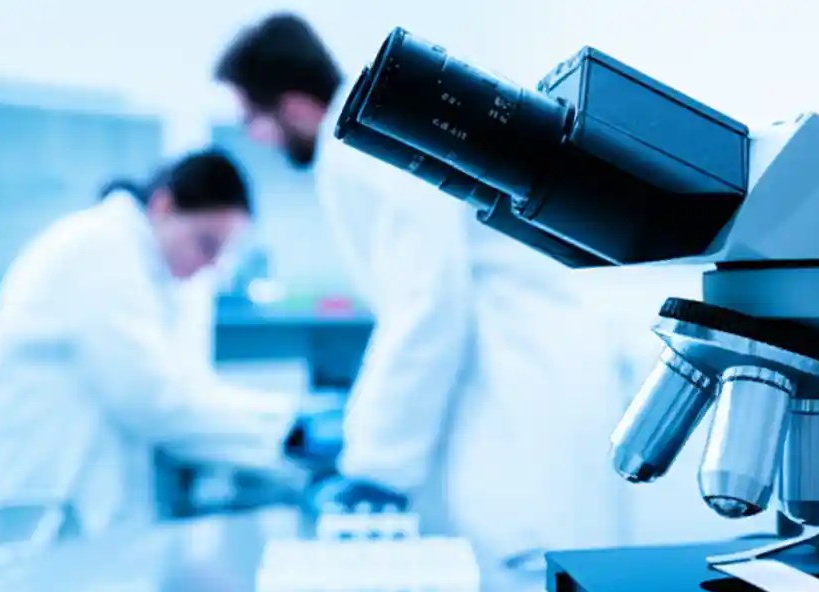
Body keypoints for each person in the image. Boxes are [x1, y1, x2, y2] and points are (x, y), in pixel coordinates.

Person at [215, 15, 633, 563]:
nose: (255, 137)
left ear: (292, 106)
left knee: (533, 589)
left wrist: (376, 464)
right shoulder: (376, 127)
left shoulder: (358, 145)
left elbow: (425, 303)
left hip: (517, 395)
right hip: (537, 375)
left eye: (252, 118)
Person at [0, 149, 296, 536]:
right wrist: (290, 426)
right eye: (207, 244)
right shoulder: (96, 248)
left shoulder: (170, 275)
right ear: (163, 206)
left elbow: (191, 391)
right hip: (47, 498)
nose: (213, 265)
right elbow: (152, 400)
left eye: (223, 252)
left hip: (103, 507)